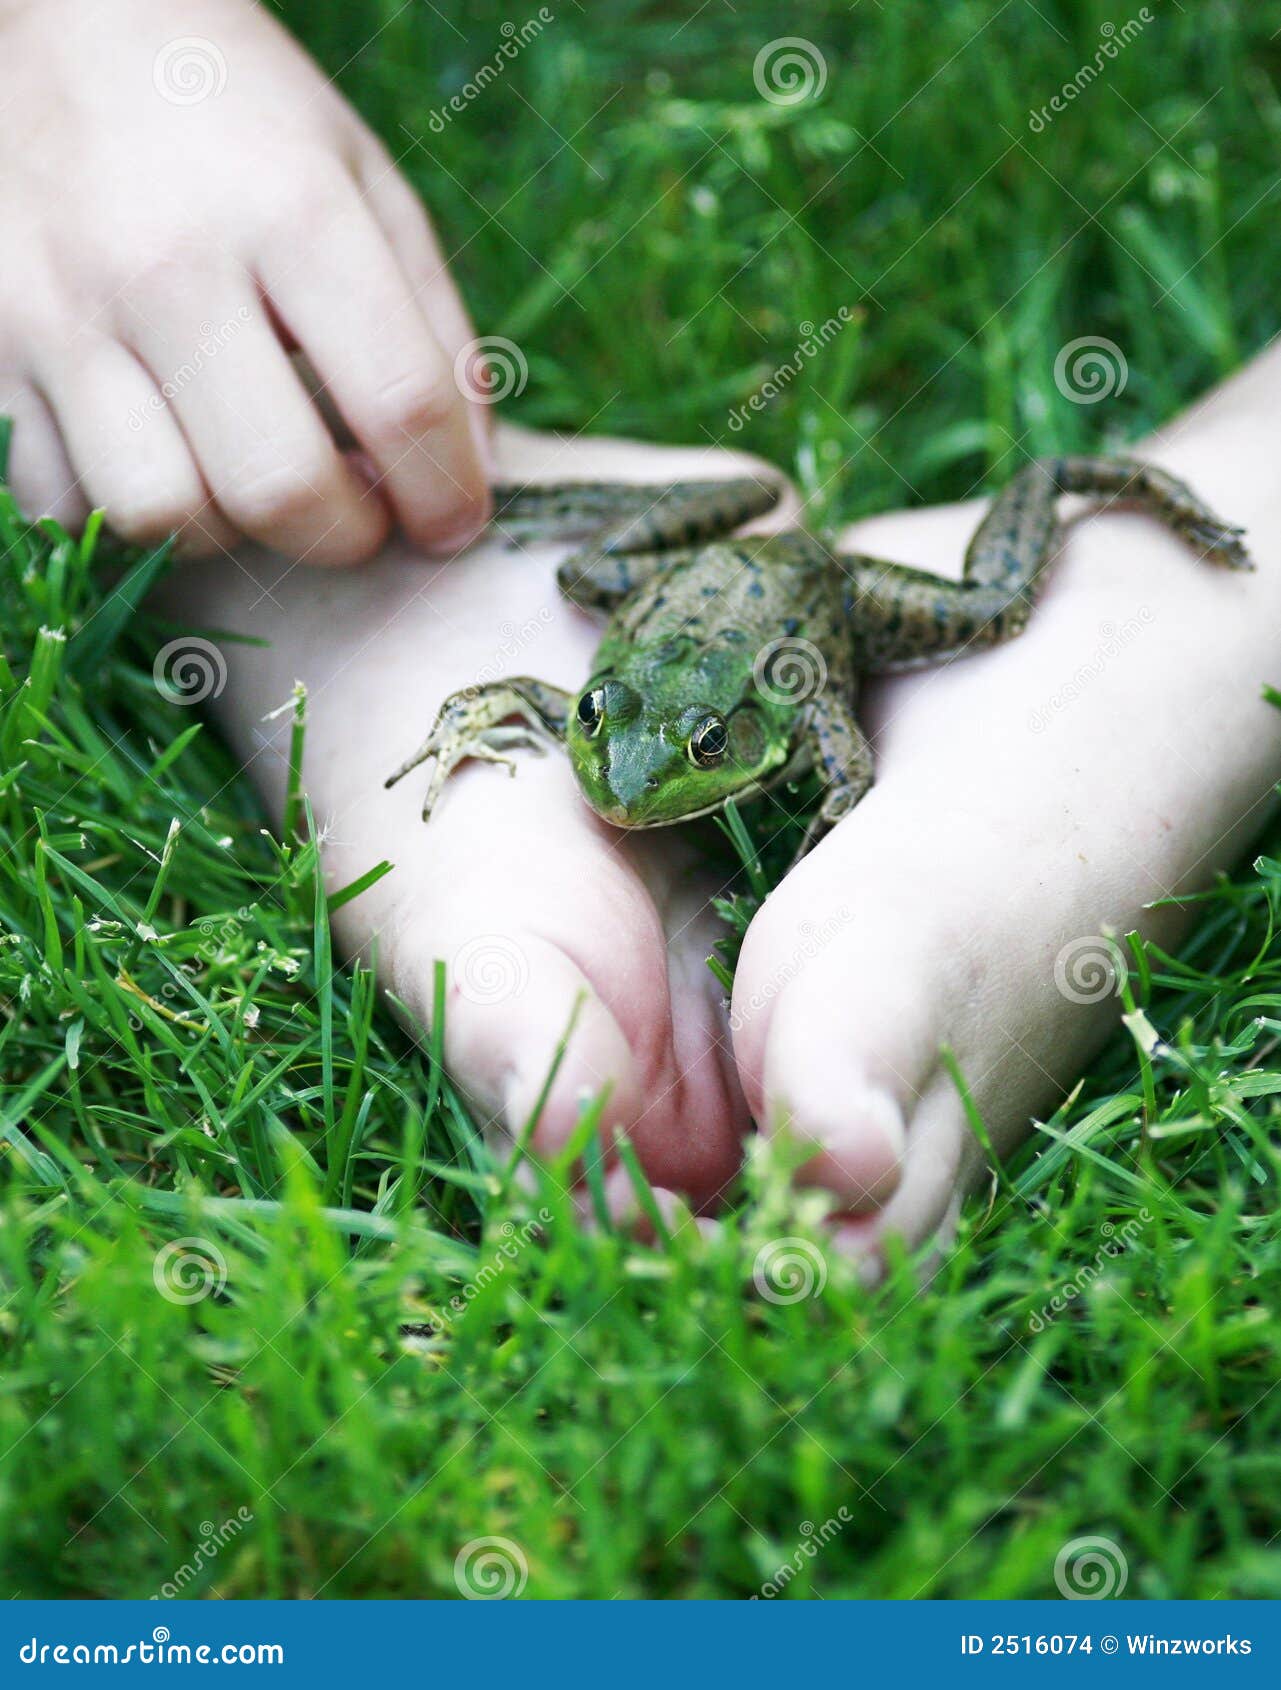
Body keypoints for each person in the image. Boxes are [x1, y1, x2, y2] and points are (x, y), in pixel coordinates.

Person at [6, 0, 1278, 1266]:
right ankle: (480, 525)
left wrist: (824, 824)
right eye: (596, 728)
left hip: (816, 596)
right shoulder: (600, 719)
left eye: (702, 752)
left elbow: (832, 744)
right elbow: (518, 692)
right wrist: (462, 734)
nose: (617, 783)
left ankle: (1162, 534)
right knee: (586, 585)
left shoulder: (781, 707)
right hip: (677, 595)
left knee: (993, 607)